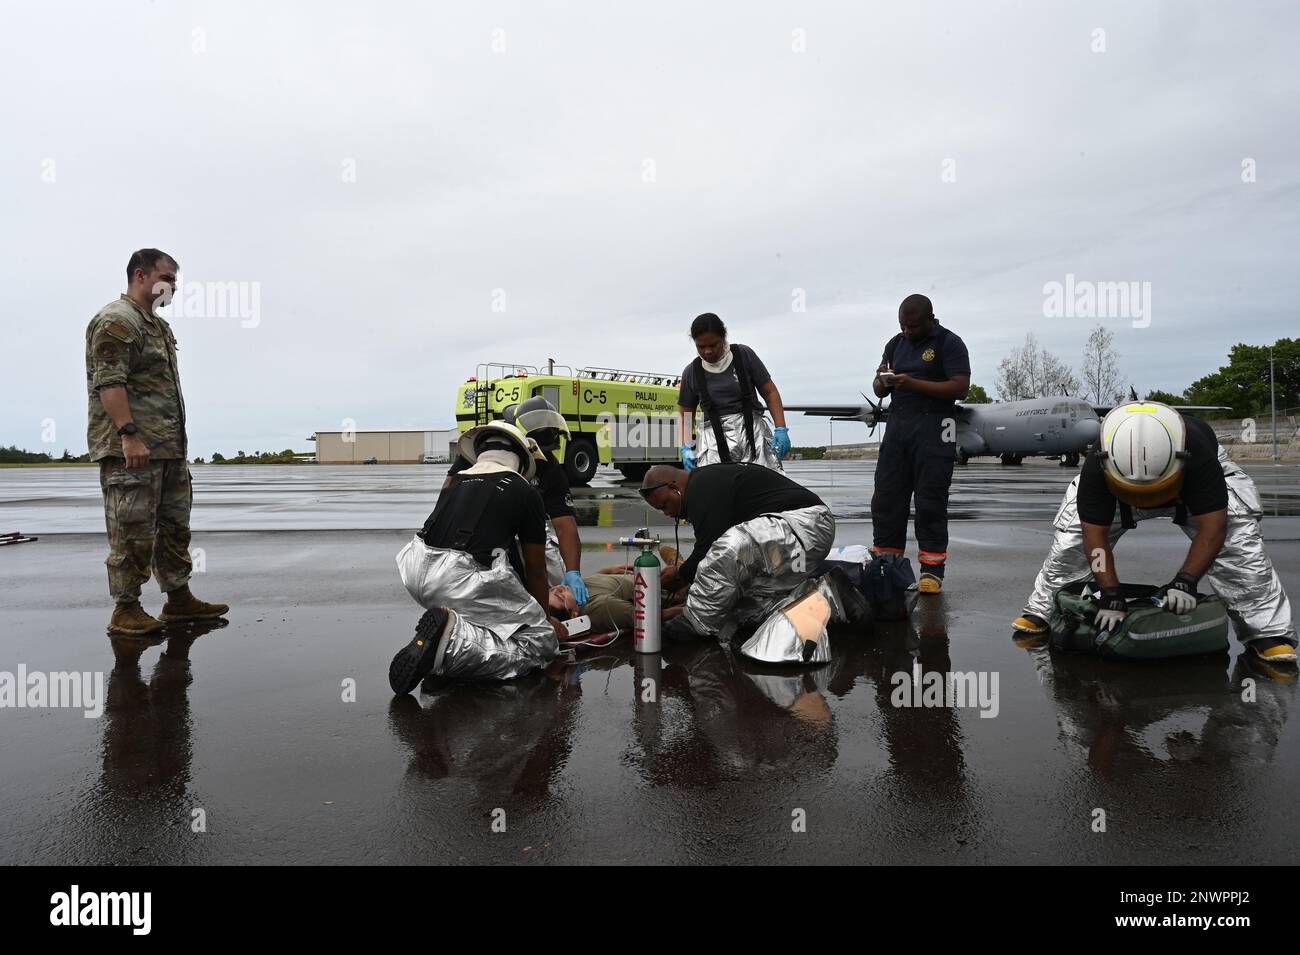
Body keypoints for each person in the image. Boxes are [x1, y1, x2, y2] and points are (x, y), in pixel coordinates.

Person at [1012, 401, 1296, 664]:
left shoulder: (1199, 458)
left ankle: (1268, 632)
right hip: (1115, 483)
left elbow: (1213, 529)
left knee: (1238, 542)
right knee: (1070, 542)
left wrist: (1185, 581)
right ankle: (1043, 611)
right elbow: (1094, 538)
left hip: (1189, 481)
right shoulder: (1097, 468)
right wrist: (1110, 593)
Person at [85, 248, 228, 635]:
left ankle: (179, 599)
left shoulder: (157, 326)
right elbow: (109, 383)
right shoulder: (118, 321)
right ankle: (126, 608)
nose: (174, 286)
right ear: (141, 275)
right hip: (132, 450)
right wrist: (128, 435)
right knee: (132, 530)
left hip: (167, 450)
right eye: (168, 278)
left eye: (176, 280)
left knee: (174, 527)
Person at [389, 421, 568, 693]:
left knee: (488, 614)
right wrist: (543, 620)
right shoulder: (525, 492)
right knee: (541, 643)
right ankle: (451, 649)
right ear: (521, 459)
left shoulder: (456, 482)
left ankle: (444, 639)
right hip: (460, 577)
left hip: (415, 567)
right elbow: (536, 569)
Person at [638, 463, 846, 643]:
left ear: (674, 488)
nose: (667, 513)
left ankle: (697, 622)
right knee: (743, 609)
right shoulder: (706, 484)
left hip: (806, 523)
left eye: (664, 505)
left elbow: (709, 548)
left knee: (732, 544)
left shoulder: (702, 486)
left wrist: (680, 575)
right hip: (795, 539)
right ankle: (831, 599)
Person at [869, 294, 970, 594]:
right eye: (903, 325)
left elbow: (960, 387)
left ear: (930, 319)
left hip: (936, 428)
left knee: (930, 501)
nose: (908, 331)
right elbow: (878, 388)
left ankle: (931, 570)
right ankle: (888, 564)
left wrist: (912, 383)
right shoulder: (895, 343)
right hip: (898, 427)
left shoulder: (949, 343)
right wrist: (882, 381)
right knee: (887, 498)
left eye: (913, 326)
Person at [445, 396, 586, 603]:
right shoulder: (484, 452)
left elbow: (565, 524)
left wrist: (573, 572)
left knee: (553, 580)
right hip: (478, 528)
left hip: (528, 529)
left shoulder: (549, 468)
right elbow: (449, 492)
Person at [676, 313, 789, 471]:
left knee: (763, 488)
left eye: (713, 345)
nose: (708, 351)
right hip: (713, 443)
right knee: (717, 491)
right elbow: (685, 416)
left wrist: (781, 428)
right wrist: (686, 446)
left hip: (754, 436)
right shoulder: (692, 372)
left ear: (723, 338)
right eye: (701, 347)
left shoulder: (743, 355)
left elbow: (770, 393)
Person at [546, 547, 688, 633]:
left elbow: (599, 583)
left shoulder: (576, 591)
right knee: (674, 575)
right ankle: (682, 573)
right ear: (574, 615)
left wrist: (607, 571)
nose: (559, 588)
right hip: (662, 588)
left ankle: (678, 568)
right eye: (560, 597)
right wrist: (685, 609)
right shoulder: (601, 607)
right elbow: (645, 617)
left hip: (628, 578)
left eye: (553, 590)